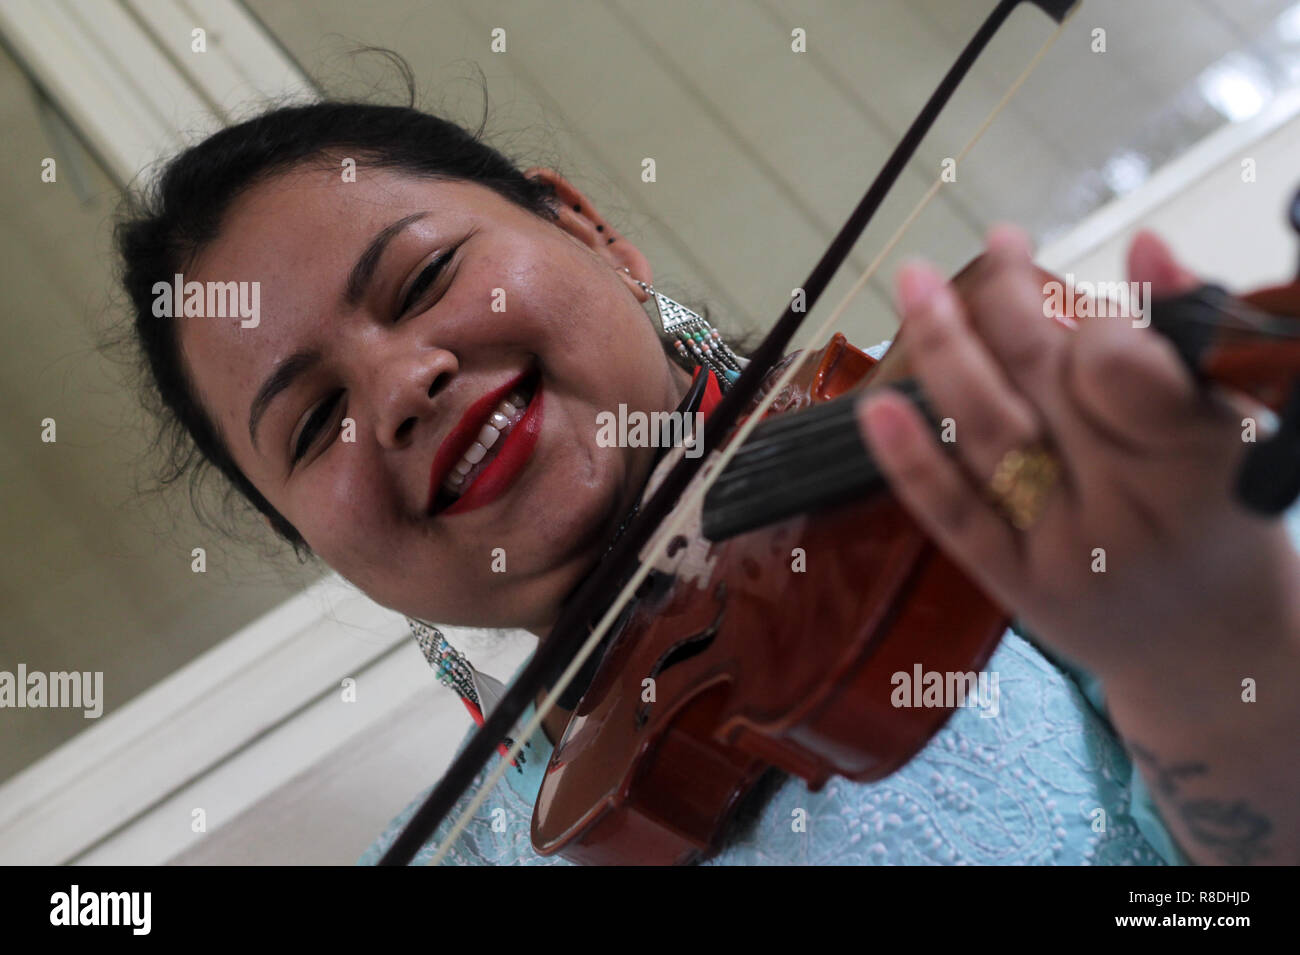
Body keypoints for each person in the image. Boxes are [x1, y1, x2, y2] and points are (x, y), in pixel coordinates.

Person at [115, 95, 1300, 866]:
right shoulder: (455, 851)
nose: (400, 388)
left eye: (421, 280)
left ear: (587, 229)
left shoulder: (986, 448)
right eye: (317, 421)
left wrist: (1200, 658)